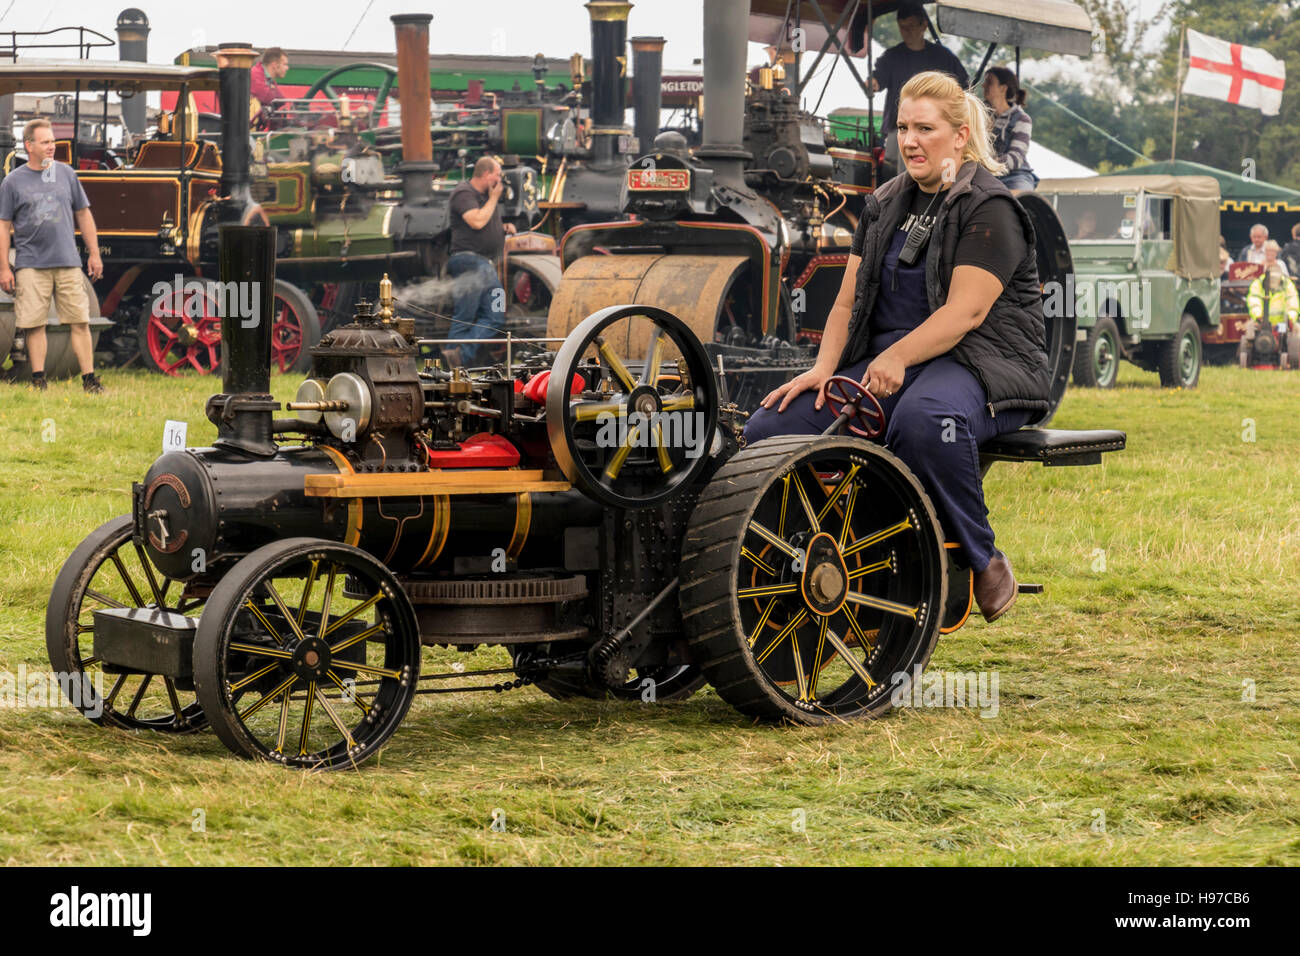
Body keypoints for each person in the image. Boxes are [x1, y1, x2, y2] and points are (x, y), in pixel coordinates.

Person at [746, 70, 1049, 623]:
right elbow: (845, 304)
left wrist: (895, 357)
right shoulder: (886, 203)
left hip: (982, 364)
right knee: (771, 425)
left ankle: (981, 556)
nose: (909, 141)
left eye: (925, 129)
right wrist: (822, 369)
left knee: (926, 421)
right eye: (902, 127)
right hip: (894, 366)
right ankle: (811, 557)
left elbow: (967, 312)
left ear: (960, 136)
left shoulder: (990, 207)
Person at [0, 118, 104, 392]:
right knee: (34, 325)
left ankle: (89, 380)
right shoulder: (12, 182)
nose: (51, 147)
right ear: (29, 145)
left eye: (53, 141)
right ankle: (38, 380)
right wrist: (4, 268)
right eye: (45, 142)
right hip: (30, 265)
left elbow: (84, 214)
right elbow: (3, 226)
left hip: (68, 262)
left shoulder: (67, 174)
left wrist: (94, 254)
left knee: (80, 321)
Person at [867, 2, 969, 174]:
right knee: (898, 161)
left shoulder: (943, 57)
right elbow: (878, 78)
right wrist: (873, 83)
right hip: (898, 127)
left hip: (937, 125)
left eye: (911, 26)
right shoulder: (892, 56)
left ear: (923, 25)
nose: (907, 32)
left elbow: (964, 87)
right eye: (902, 28)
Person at [445, 156, 516, 366]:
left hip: (485, 265)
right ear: (486, 174)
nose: (499, 180)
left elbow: (484, 222)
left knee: (496, 316)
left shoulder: (485, 197)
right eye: (497, 174)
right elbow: (476, 221)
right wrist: (494, 198)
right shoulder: (464, 193)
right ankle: (451, 367)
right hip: (468, 261)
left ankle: (460, 357)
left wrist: (502, 228)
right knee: (464, 316)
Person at [983, 66, 1036, 191]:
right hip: (986, 174)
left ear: (1003, 88)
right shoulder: (980, 113)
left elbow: (1016, 157)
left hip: (1014, 176)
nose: (983, 85)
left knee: (1021, 198)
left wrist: (990, 164)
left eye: (989, 82)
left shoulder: (1021, 119)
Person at [1241, 262, 1298, 369]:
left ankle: (1291, 358)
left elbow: (1293, 301)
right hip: (1262, 322)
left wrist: (1291, 317)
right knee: (1249, 329)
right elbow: (1254, 300)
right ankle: (1250, 354)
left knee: (1294, 333)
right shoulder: (1257, 284)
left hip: (1281, 323)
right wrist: (1258, 315)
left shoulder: (1287, 284)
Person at [251, 47, 289, 126]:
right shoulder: (254, 74)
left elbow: (281, 100)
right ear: (274, 65)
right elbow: (268, 97)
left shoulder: (268, 78)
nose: (287, 68)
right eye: (285, 64)